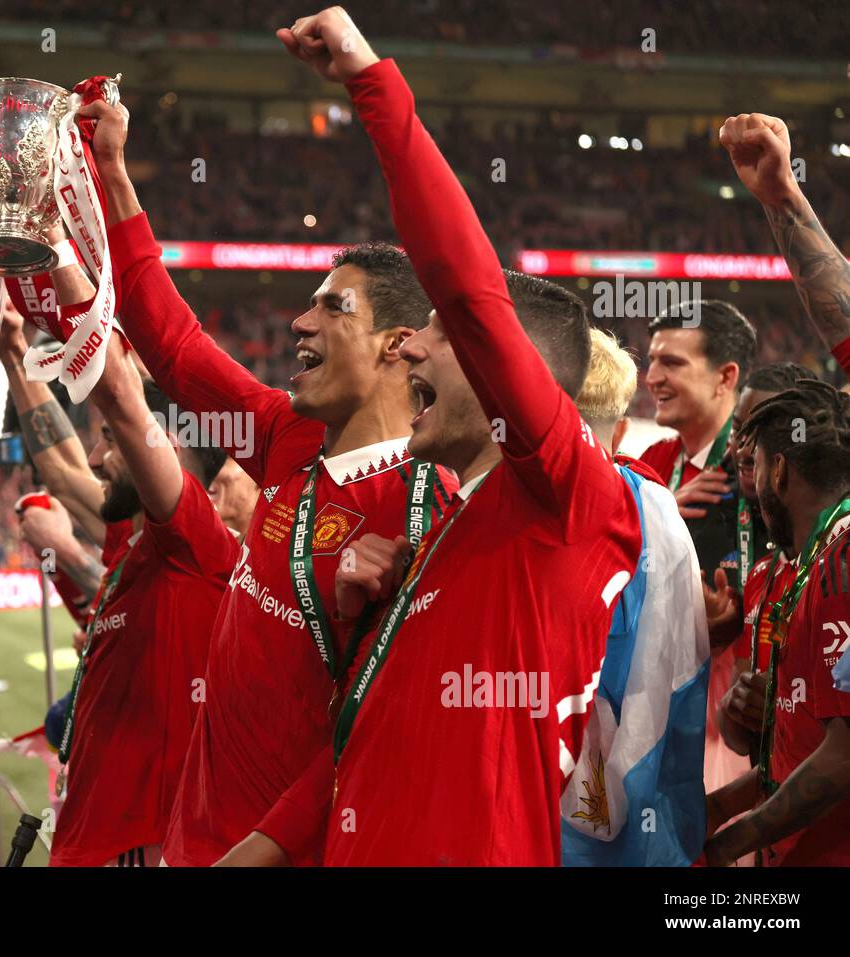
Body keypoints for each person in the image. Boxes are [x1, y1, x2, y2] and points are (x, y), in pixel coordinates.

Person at [276, 7, 640, 865]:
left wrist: (372, 82)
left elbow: (470, 286)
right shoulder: (441, 530)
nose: (407, 346)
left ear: (502, 368)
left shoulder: (564, 495)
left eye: (434, 334)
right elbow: (356, 751)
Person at [78, 60, 459, 866]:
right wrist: (111, 174)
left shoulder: (429, 515)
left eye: (331, 306)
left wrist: (249, 855)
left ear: (398, 344)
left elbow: (370, 734)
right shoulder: (288, 436)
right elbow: (172, 342)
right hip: (192, 845)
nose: (299, 321)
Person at [0, 247, 241, 867]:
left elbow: (125, 405)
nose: (99, 456)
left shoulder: (194, 540)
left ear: (166, 443)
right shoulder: (131, 545)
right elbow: (59, 465)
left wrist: (50, 241)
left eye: (108, 441)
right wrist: (15, 358)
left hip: (142, 846)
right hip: (89, 838)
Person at [562, 329, 709, 865]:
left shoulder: (472, 502)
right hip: (625, 834)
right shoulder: (657, 513)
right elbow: (678, 694)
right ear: (622, 431)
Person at [703, 380, 850, 865]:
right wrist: (720, 807)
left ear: (780, 471)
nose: (755, 483)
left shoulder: (842, 563)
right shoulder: (808, 563)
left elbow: (844, 756)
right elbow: (796, 747)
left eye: (759, 466)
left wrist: (730, 842)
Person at [641, 301, 757, 585]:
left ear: (725, 377)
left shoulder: (761, 466)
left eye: (671, 363)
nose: (651, 378)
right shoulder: (652, 463)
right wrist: (658, 516)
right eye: (652, 360)